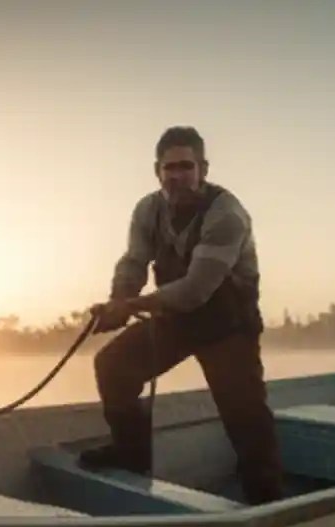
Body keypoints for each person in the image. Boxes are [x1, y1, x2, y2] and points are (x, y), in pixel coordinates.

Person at [81, 126, 285, 505]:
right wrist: (118, 300)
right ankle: (131, 454)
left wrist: (130, 307)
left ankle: (267, 500)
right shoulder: (147, 210)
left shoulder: (227, 214)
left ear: (203, 169)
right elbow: (134, 261)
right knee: (113, 366)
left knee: (244, 415)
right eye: (169, 167)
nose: (177, 175)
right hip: (176, 318)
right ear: (157, 171)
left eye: (186, 167)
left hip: (228, 325)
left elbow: (195, 290)